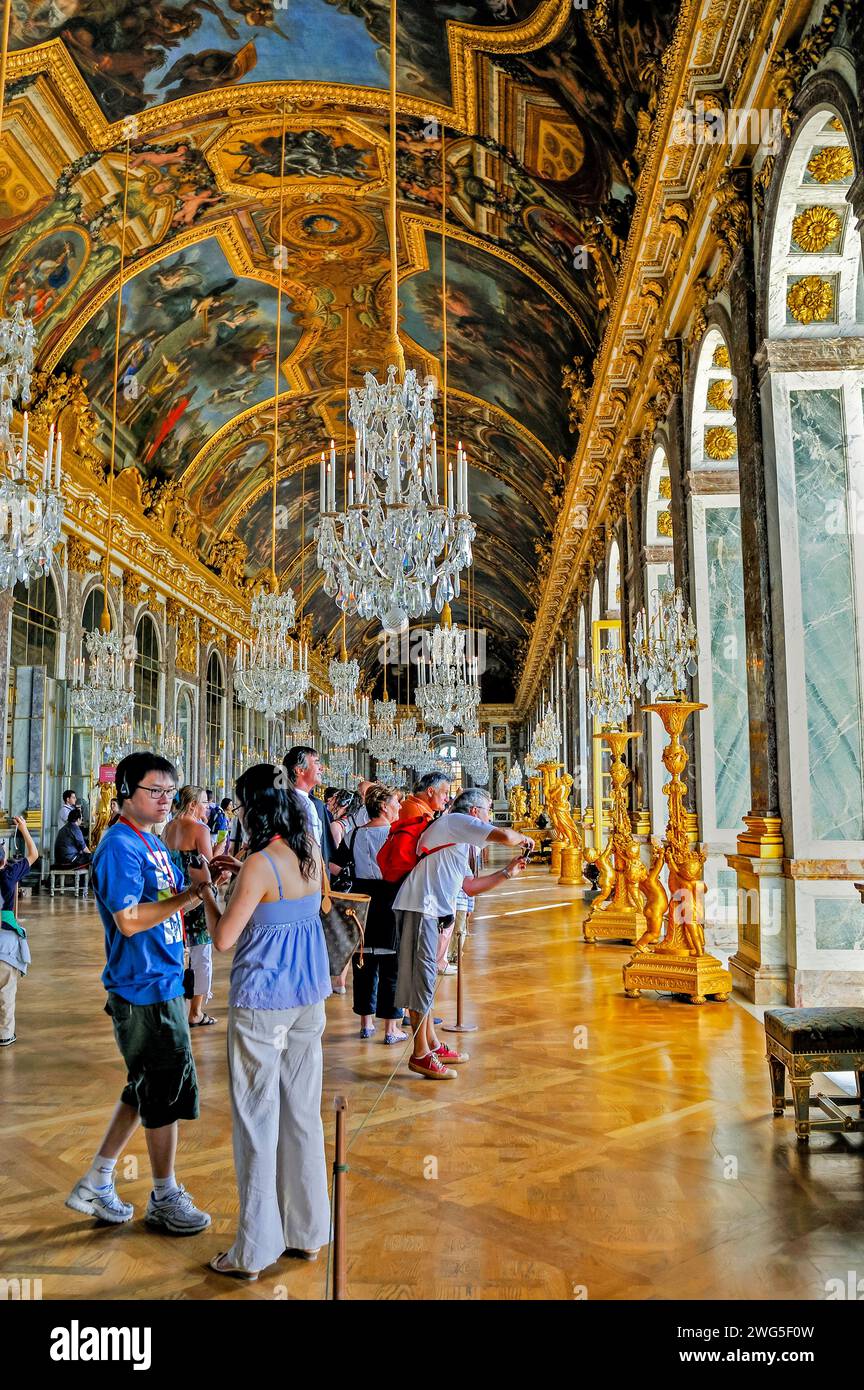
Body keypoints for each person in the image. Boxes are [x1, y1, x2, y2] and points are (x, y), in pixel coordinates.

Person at [65, 752, 212, 1234]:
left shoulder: (152, 842)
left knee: (146, 1085)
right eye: (155, 791)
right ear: (127, 792)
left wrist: (207, 881)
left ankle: (98, 1180)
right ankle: (165, 1194)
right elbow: (129, 920)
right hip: (142, 986)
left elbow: (162, 903)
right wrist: (189, 897)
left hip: (162, 978)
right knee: (164, 1092)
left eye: (172, 791)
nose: (166, 799)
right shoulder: (119, 847)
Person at [196, 764, 331, 1280]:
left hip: (262, 1002)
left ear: (251, 810)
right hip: (308, 998)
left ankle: (252, 1251)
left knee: (257, 1117)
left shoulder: (258, 864)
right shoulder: (309, 857)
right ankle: (307, 1232)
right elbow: (308, 913)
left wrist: (209, 888)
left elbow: (225, 939)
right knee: (302, 1113)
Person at [394, 788, 533, 1081]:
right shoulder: (456, 820)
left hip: (429, 910)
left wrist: (507, 872)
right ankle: (420, 1055)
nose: (489, 818)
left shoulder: (457, 839)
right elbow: (506, 837)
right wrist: (525, 838)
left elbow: (467, 886)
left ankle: (431, 1043)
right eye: (487, 812)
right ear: (474, 813)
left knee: (427, 980)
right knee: (421, 981)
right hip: (420, 907)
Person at [350, 784, 406, 1044]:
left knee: (363, 961)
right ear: (384, 807)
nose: (399, 807)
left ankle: (366, 1023)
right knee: (392, 965)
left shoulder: (353, 833)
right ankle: (391, 1028)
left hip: (361, 903)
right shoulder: (395, 834)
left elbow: (337, 865)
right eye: (396, 803)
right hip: (389, 900)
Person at [162, 785, 217, 1027]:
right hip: (196, 897)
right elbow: (208, 869)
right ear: (193, 805)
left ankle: (174, 1008)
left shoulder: (168, 827)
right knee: (201, 954)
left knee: (176, 950)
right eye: (204, 802)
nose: (208, 807)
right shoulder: (200, 829)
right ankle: (195, 1011)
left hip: (172, 898)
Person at [0, 817, 39, 1047]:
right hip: (5, 943)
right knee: (6, 991)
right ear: (4, 860)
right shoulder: (9, 874)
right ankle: (5, 1034)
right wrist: (23, 829)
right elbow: (33, 854)